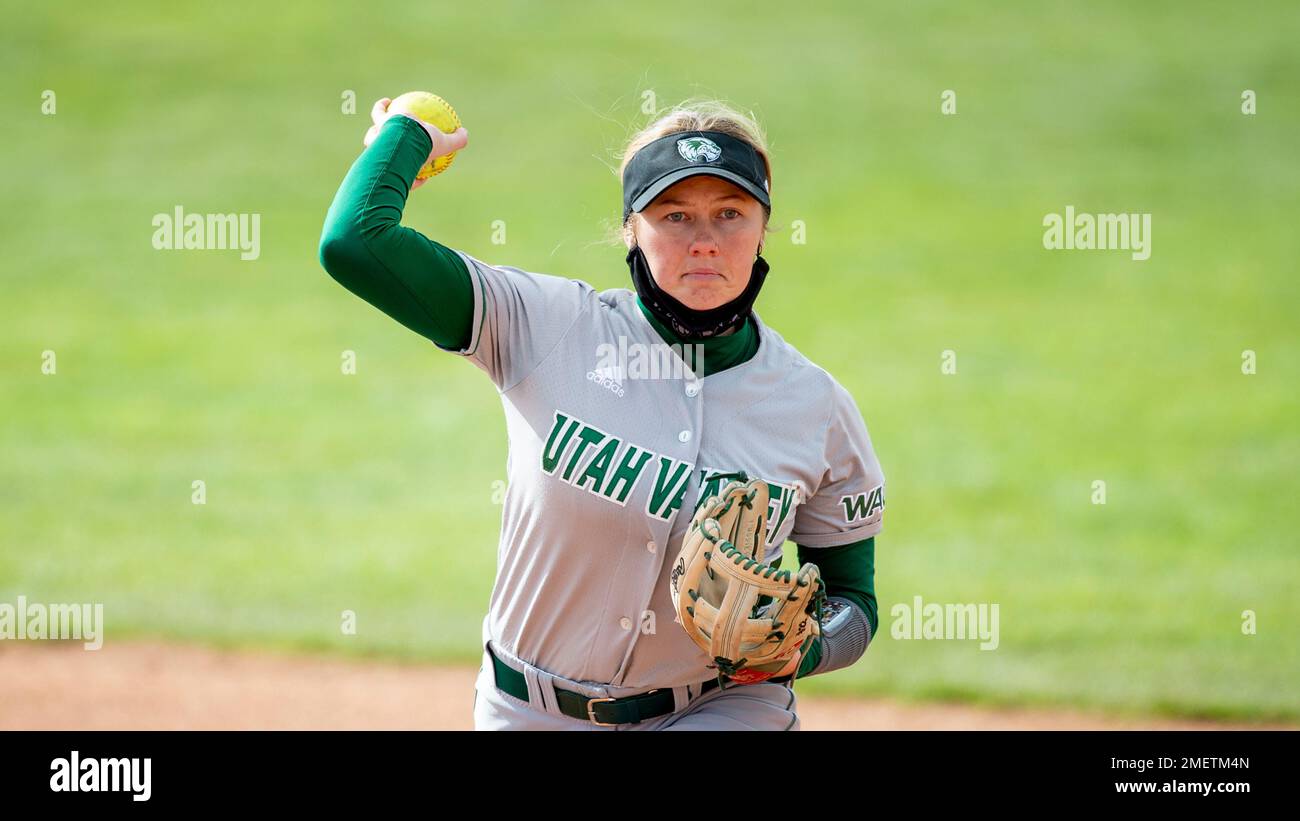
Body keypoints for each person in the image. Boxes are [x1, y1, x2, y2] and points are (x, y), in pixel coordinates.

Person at [319, 96, 886, 730]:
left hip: (720, 708)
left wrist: (803, 650)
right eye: (674, 215)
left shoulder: (814, 406)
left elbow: (853, 601)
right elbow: (355, 243)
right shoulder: (544, 326)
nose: (704, 242)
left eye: (730, 214)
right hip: (529, 710)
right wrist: (407, 137)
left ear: (763, 226)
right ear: (631, 230)